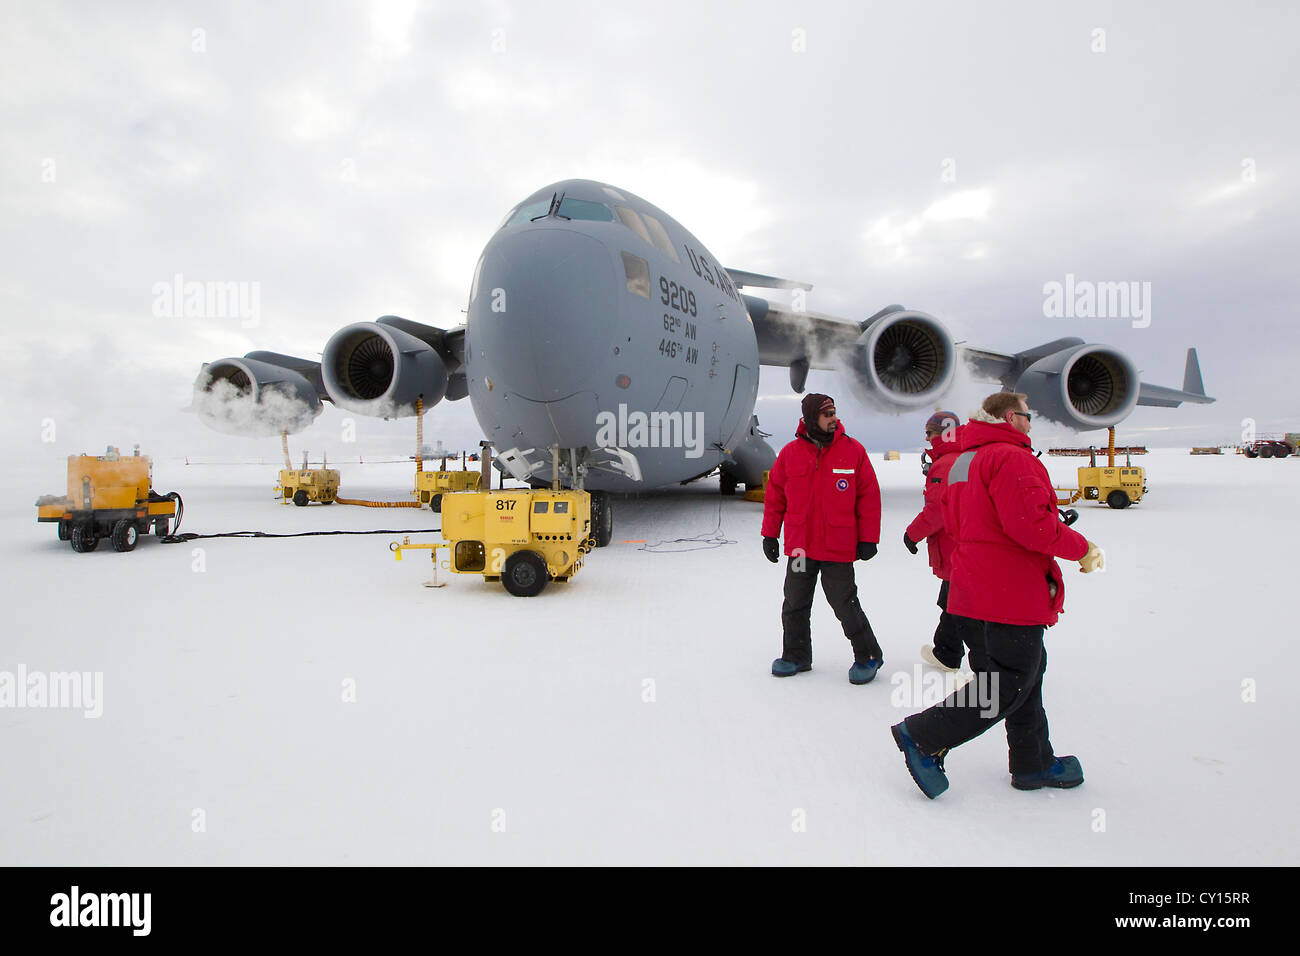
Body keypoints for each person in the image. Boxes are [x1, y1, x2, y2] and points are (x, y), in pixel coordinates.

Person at [890, 392, 1104, 797]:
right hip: (1011, 590)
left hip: (979, 586)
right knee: (1009, 682)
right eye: (1028, 414)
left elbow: (951, 518)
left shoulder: (964, 461)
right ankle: (922, 735)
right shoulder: (1012, 458)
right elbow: (1033, 527)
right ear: (1011, 417)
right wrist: (1084, 549)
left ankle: (1033, 762)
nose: (1031, 421)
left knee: (1026, 674)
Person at [761, 393, 884, 684]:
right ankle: (796, 656)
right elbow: (775, 497)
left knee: (844, 603)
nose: (833, 418)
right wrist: (770, 534)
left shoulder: (853, 451)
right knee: (795, 602)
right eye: (827, 413)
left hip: (837, 547)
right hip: (801, 549)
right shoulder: (790, 453)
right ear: (810, 417)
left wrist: (869, 538)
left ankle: (868, 655)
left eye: (834, 413)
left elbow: (869, 497)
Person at [903, 410, 964, 671]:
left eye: (929, 432)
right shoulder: (967, 457)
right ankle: (946, 651)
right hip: (969, 545)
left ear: (941, 433)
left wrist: (912, 534)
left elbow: (938, 509)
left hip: (955, 546)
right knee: (953, 601)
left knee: (958, 604)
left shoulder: (945, 464)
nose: (927, 438)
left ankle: (952, 654)